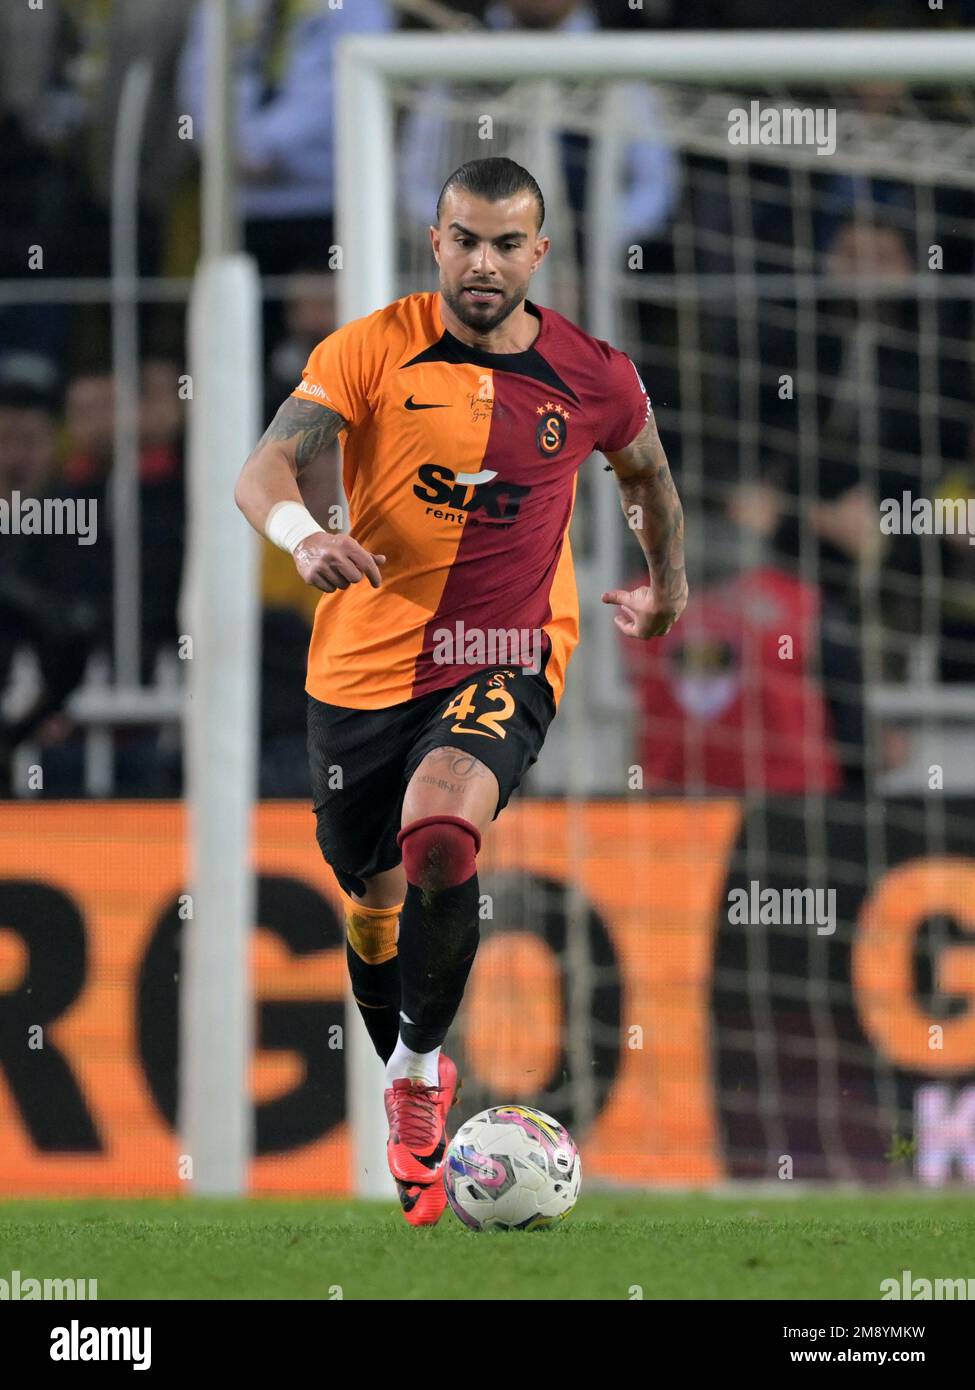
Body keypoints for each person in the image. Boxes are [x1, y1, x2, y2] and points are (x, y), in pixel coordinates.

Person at [234, 156, 688, 1225]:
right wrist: (305, 537)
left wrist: (667, 589)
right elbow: (261, 472)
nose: (483, 262)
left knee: (442, 829)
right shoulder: (366, 351)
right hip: (361, 666)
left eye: (505, 243)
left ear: (539, 253)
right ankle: (405, 1068)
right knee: (373, 891)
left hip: (508, 646)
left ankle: (420, 1069)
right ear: (435, 243)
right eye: (464, 239)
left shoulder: (595, 375)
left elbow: (648, 475)